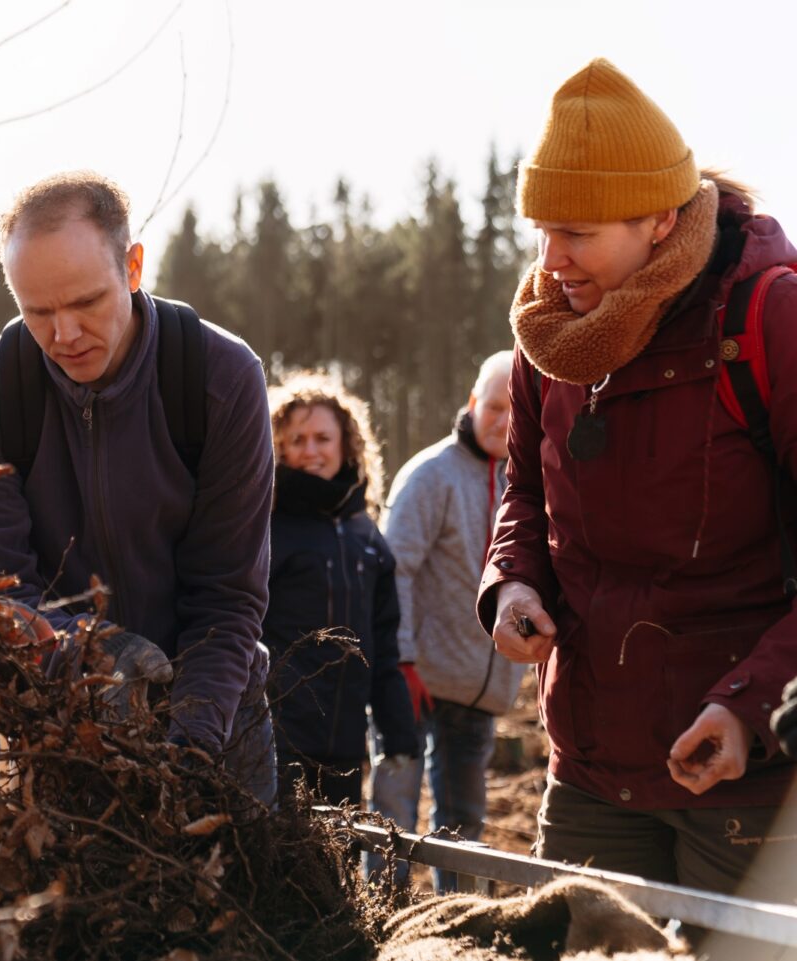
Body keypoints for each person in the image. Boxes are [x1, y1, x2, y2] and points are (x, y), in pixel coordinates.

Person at [479, 59, 797, 904]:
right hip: (589, 774)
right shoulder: (548, 336)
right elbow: (525, 494)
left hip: (745, 782)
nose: (551, 259)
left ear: (660, 221)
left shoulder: (771, 320)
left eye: (576, 233)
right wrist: (512, 583)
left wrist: (750, 707)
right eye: (541, 231)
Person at [0, 171, 277, 804]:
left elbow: (228, 596)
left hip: (219, 708)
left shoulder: (221, 379)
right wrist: (92, 661)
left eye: (86, 302)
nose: (64, 334)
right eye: (38, 312)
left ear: (133, 267)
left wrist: (191, 754)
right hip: (61, 721)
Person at [369, 351, 526, 893]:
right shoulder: (430, 475)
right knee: (393, 811)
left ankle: (459, 919)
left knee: (464, 820)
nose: (504, 421)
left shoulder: (529, 485)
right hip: (415, 678)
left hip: (481, 689)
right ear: (472, 402)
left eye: (517, 410)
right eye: (494, 407)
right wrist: (401, 659)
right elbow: (395, 570)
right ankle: (380, 909)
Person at [262, 372, 417, 806]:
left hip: (345, 748)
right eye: (297, 440)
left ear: (347, 444)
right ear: (278, 447)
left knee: (339, 849)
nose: (310, 450)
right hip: (275, 743)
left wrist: (399, 733)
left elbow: (383, 647)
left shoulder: (366, 537)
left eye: (323, 438)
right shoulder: (263, 526)